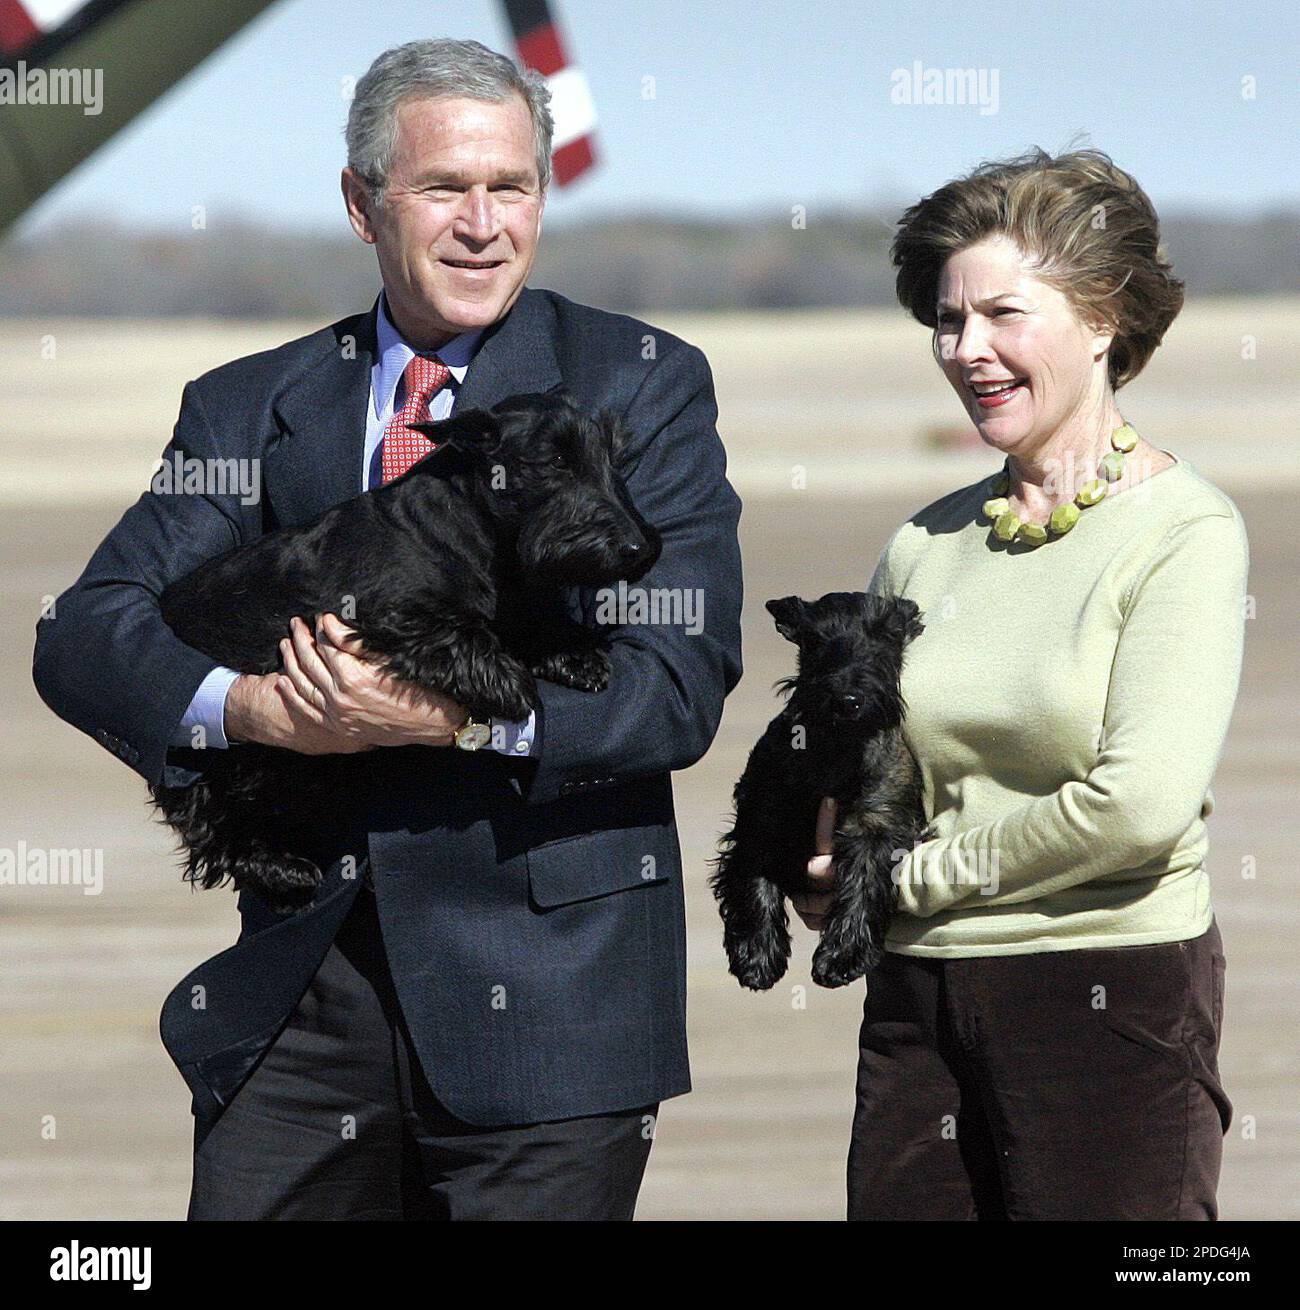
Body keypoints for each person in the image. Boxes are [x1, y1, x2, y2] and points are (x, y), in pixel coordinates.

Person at [32, 38, 743, 1221]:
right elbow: (85, 630)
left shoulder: (637, 381)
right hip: (303, 1001)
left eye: (510, 187)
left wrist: (453, 717)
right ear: (362, 204)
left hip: (552, 1013)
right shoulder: (245, 402)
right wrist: (254, 709)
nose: (482, 224)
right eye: (442, 189)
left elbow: (672, 685)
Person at [796, 148, 1246, 1220]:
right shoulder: (924, 543)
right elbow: (856, 763)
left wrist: (901, 881)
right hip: (914, 1005)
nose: (968, 350)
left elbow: (1135, 808)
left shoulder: (1184, 532)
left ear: (1104, 320)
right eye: (948, 321)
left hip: (1108, 996)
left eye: (1004, 313)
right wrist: (815, 861)